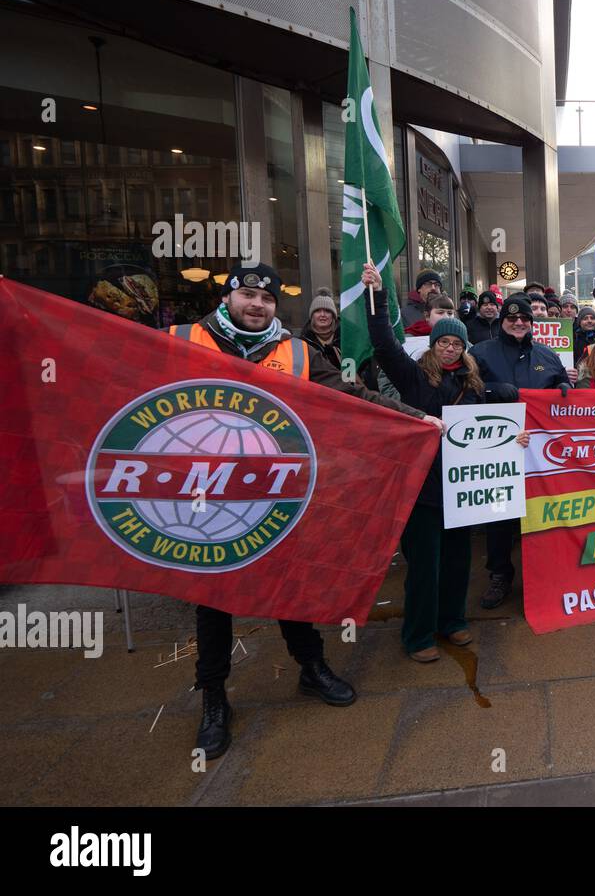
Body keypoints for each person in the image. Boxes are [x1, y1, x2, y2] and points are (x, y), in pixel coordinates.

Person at [169, 263, 433, 760]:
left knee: (289, 583)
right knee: (213, 599)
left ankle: (311, 667)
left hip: (278, 494)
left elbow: (351, 395)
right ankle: (214, 698)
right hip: (206, 499)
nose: (257, 305)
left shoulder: (295, 350)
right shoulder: (181, 340)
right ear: (227, 298)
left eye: (267, 299)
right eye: (247, 296)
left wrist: (416, 418)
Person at [363, 261, 507, 661]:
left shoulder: (473, 384)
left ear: (464, 348)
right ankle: (419, 635)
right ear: (433, 343)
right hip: (421, 488)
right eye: (444, 342)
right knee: (425, 566)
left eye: (457, 344)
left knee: (458, 561)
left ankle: (452, 621)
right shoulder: (412, 376)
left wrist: (513, 440)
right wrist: (377, 296)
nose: (450, 348)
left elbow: (487, 432)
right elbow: (383, 345)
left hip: (460, 489)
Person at [469, 296, 574, 607]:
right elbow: (463, 390)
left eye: (525, 318)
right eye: (512, 318)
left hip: (539, 452)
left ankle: (544, 572)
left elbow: (560, 383)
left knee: (540, 509)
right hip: (498, 447)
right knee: (500, 514)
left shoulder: (546, 354)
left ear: (531, 322)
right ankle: (500, 574)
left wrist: (566, 389)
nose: (518, 323)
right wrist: (490, 390)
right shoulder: (480, 352)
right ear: (502, 320)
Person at [301, 287, 342, 368]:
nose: (322, 315)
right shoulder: (303, 342)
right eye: (317, 311)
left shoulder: (345, 338)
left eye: (327, 311)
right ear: (312, 315)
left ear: (333, 315)